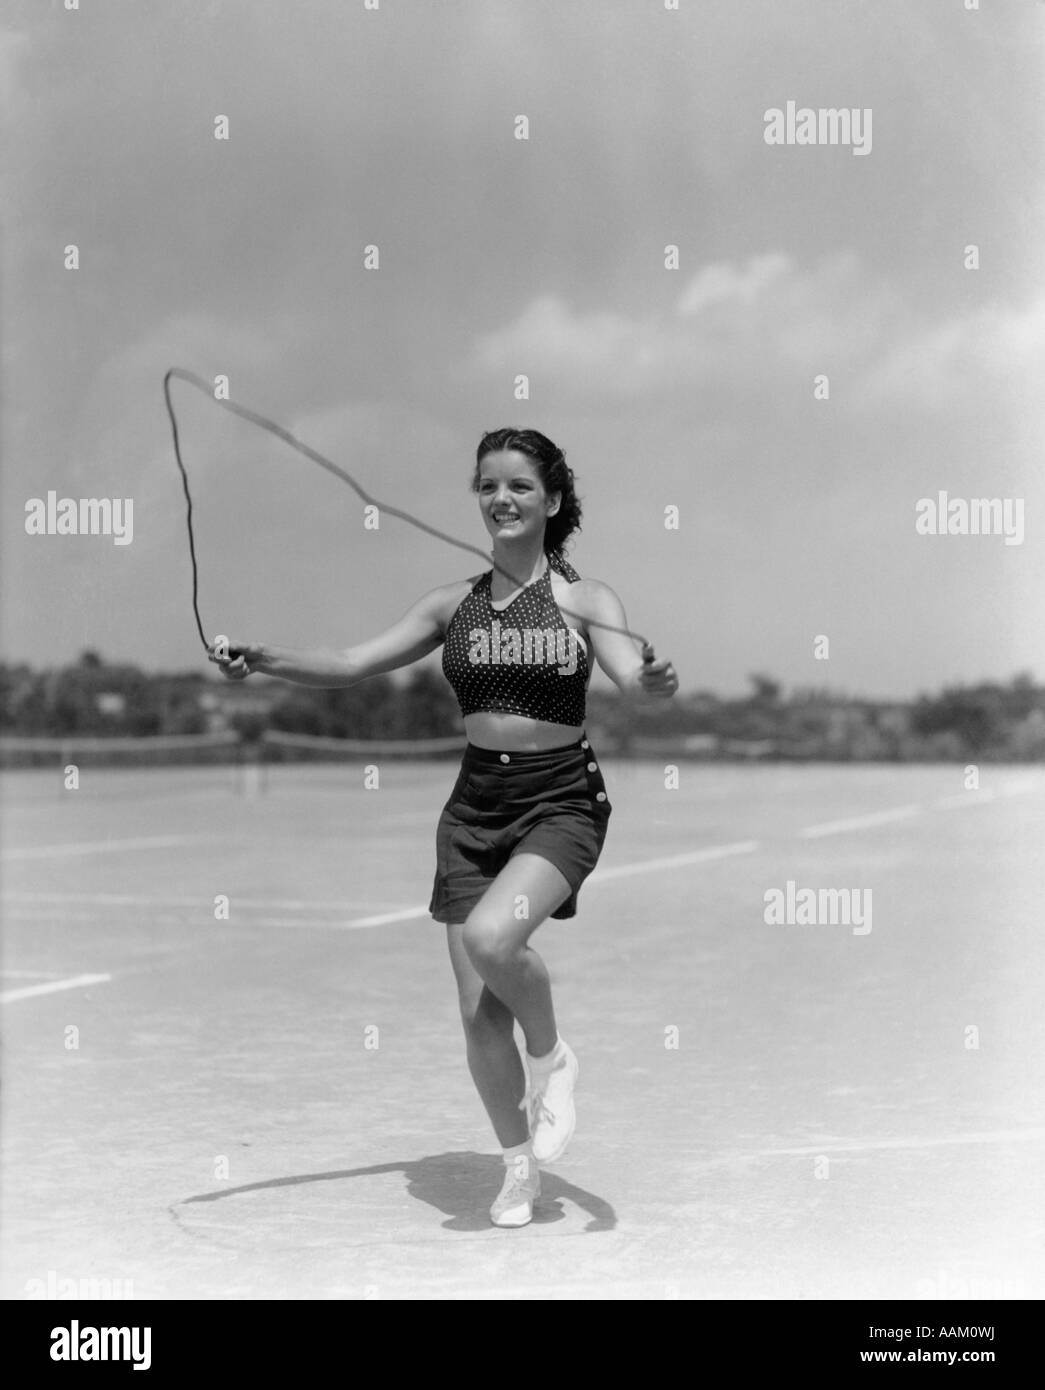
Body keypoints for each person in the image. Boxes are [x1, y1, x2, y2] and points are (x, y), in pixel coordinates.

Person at [210, 427, 678, 1226]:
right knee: (474, 1012)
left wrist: (656, 682)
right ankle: (517, 1167)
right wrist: (264, 659)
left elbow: (635, 682)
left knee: (495, 941)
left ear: (552, 501)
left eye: (520, 486)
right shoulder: (449, 604)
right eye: (488, 485)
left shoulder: (584, 600)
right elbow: (354, 662)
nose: (501, 497)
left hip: (559, 798)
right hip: (473, 810)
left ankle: (554, 1058)